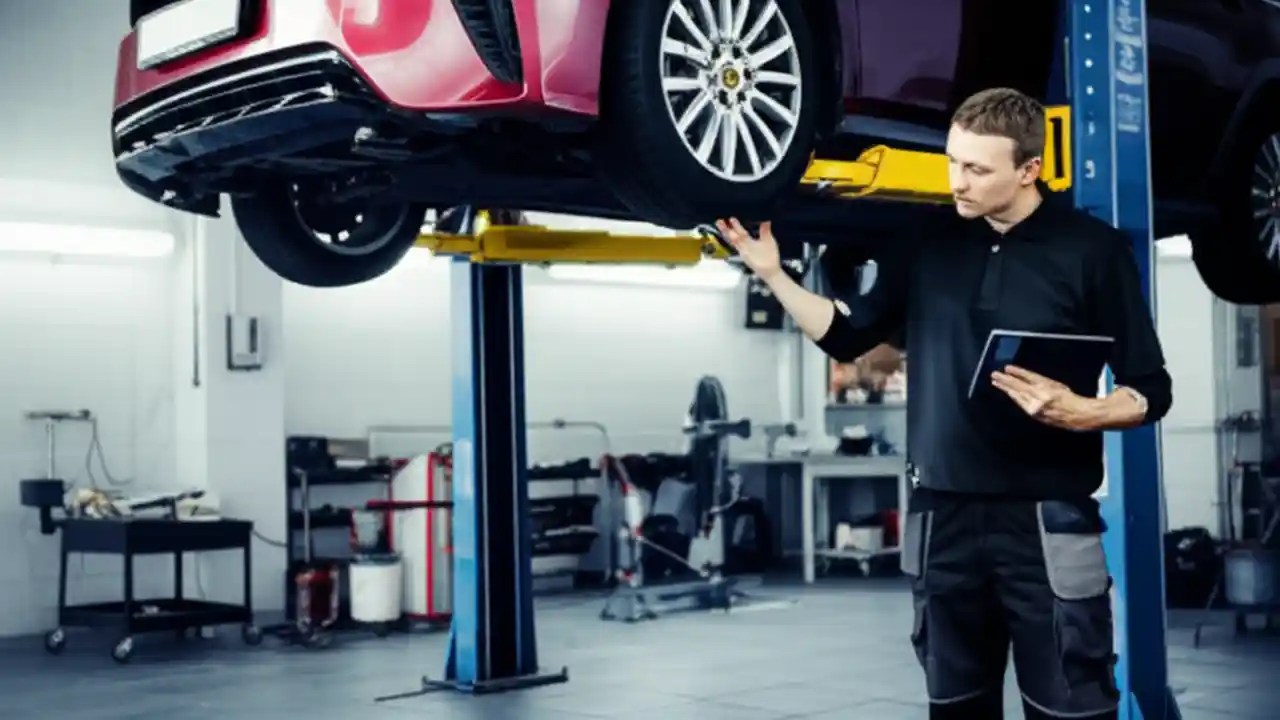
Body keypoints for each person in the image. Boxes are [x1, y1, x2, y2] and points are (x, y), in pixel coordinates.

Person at [716, 87, 1172, 720]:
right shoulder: (925, 240)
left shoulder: (1092, 251)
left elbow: (1152, 388)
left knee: (1074, 708)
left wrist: (1085, 410)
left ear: (1029, 169)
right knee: (955, 708)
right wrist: (773, 275)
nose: (957, 181)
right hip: (942, 518)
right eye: (954, 162)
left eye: (977, 169)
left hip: (1045, 523)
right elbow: (849, 335)